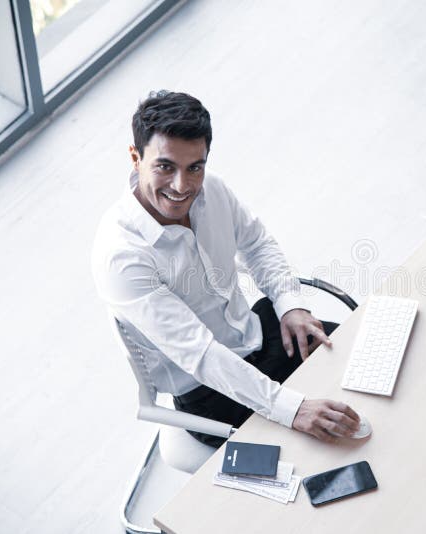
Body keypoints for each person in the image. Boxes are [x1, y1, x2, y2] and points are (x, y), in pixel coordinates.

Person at [92, 90, 360, 447]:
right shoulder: (121, 257)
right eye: (164, 166)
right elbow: (201, 353)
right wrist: (292, 409)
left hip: (256, 333)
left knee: (362, 367)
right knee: (322, 450)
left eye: (195, 167)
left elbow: (256, 243)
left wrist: (289, 304)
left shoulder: (212, 188)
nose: (181, 186)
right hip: (209, 393)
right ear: (135, 157)